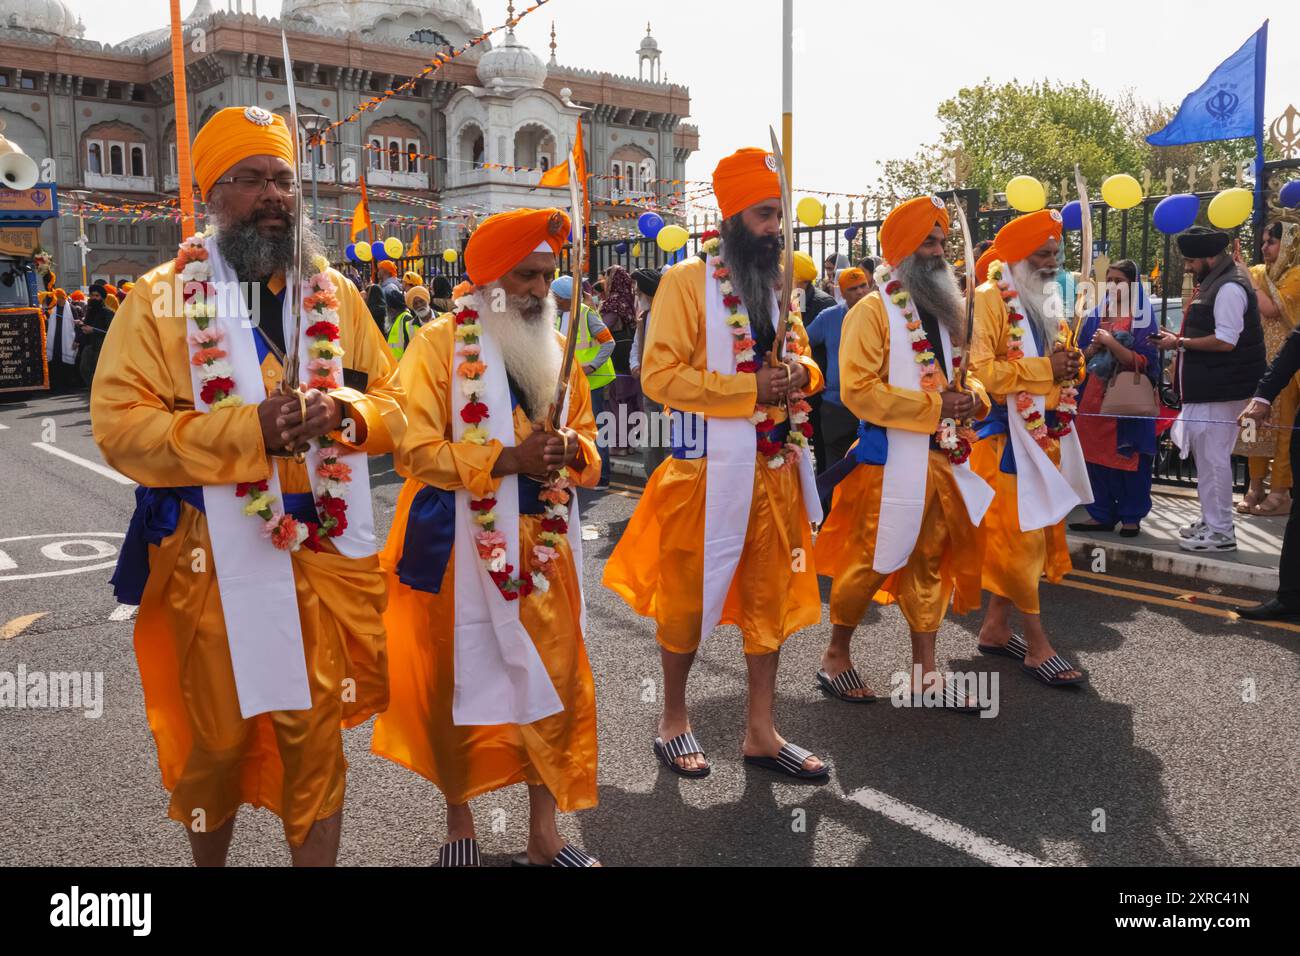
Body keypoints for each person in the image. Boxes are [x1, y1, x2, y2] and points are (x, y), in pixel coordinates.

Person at [90, 105, 405, 866]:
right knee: (217, 746)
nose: (274, 195)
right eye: (252, 179)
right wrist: (247, 432)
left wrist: (347, 410)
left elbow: (401, 411)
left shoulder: (335, 297)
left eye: (284, 180)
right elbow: (120, 427)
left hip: (324, 556)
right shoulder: (160, 299)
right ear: (213, 194)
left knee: (317, 745)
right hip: (211, 562)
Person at [371, 207, 604, 868]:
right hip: (457, 549)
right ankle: (460, 823)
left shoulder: (557, 353)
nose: (539, 291)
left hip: (545, 544)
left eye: (547, 277)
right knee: (457, 683)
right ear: (488, 279)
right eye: (525, 276)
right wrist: (506, 460)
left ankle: (544, 836)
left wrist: (572, 451)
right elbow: (413, 450)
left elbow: (589, 445)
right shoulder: (438, 346)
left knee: (551, 679)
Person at [603, 145, 829, 781]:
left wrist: (799, 375)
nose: (776, 228)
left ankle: (761, 730)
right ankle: (673, 719)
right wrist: (747, 391)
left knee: (770, 600)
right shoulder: (684, 283)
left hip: (774, 470)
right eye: (764, 214)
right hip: (701, 474)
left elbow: (807, 363)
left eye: (780, 214)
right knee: (686, 603)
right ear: (731, 218)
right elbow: (661, 375)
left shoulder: (781, 288)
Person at [814, 196, 993, 710]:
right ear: (901, 251)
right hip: (887, 460)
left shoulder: (944, 312)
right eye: (928, 243)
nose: (940, 253)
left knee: (929, 565)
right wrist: (937, 405)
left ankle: (925, 674)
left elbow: (969, 376)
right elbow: (858, 390)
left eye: (942, 242)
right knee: (871, 562)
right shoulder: (871, 311)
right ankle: (835, 657)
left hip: (941, 459)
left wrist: (973, 399)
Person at [968, 209, 1091, 688]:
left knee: (1033, 536)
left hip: (1044, 437)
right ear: (1015, 258)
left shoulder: (1046, 299)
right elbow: (981, 373)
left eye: (1056, 254)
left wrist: (1071, 366)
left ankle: (996, 628)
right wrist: (1047, 369)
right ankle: (1038, 645)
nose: (1051, 263)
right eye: (1041, 254)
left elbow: (1056, 365)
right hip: (1003, 442)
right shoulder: (988, 297)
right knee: (1020, 541)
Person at [1152, 226, 1266, 552]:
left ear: (1209, 257)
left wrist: (1179, 342)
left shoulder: (1229, 287)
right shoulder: (1217, 280)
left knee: (1214, 460)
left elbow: (1226, 341)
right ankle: (1210, 519)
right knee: (1206, 459)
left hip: (1222, 390)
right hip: (1213, 388)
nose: (1187, 267)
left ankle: (1221, 533)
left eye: (1190, 260)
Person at [1068, 260, 1158, 537]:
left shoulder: (1142, 315)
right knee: (1093, 457)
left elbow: (1145, 361)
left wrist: (1111, 343)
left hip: (1124, 399)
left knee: (1129, 457)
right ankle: (1100, 513)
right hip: (1093, 399)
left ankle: (1131, 516)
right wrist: (1093, 347)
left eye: (1119, 281)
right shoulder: (1096, 313)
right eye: (1109, 280)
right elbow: (1080, 353)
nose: (1113, 286)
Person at [1237, 221, 1300, 516]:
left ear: (1287, 245)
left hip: (1285, 369)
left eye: (1272, 242)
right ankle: (1255, 485)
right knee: (1253, 427)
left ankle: (1280, 492)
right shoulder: (1257, 273)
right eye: (1263, 241)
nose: (1264, 248)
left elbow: (1274, 310)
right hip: (1257, 364)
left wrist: (1250, 281)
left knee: (1282, 430)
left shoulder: (1297, 275)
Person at [551, 274, 615, 488]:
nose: (552, 299)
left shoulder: (586, 314)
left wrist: (592, 366)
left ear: (565, 298)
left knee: (594, 429)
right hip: (569, 384)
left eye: (555, 296)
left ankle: (602, 477)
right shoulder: (559, 315)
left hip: (593, 381)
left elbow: (609, 343)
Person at [807, 267, 872, 473]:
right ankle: (832, 505)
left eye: (863, 286)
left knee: (869, 469)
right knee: (836, 470)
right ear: (841, 293)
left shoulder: (884, 315)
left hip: (873, 407)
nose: (860, 292)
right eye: (853, 289)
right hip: (836, 407)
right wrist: (815, 373)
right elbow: (801, 344)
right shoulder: (828, 317)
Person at [629, 266, 666, 473]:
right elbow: (636, 344)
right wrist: (635, 364)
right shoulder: (644, 316)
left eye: (639, 290)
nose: (635, 293)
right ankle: (653, 480)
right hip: (649, 385)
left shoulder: (670, 313)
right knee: (653, 437)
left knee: (681, 436)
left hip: (671, 385)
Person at [601, 265, 640, 459]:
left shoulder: (613, 302)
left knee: (617, 401)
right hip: (630, 352)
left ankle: (619, 444)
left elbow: (603, 327)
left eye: (607, 278)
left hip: (615, 354)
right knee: (629, 401)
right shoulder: (631, 300)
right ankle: (631, 443)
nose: (604, 282)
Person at [44, 288, 79, 391]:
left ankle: (68, 386)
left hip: (68, 340)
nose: (58, 300)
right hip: (55, 340)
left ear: (63, 297)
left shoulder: (72, 308)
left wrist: (77, 340)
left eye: (59, 298)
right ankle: (55, 387)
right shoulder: (53, 308)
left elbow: (77, 325)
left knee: (67, 364)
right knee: (55, 363)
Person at [386, 284, 433, 360]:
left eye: (421, 301)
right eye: (415, 303)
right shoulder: (409, 325)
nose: (419, 305)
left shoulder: (442, 318)